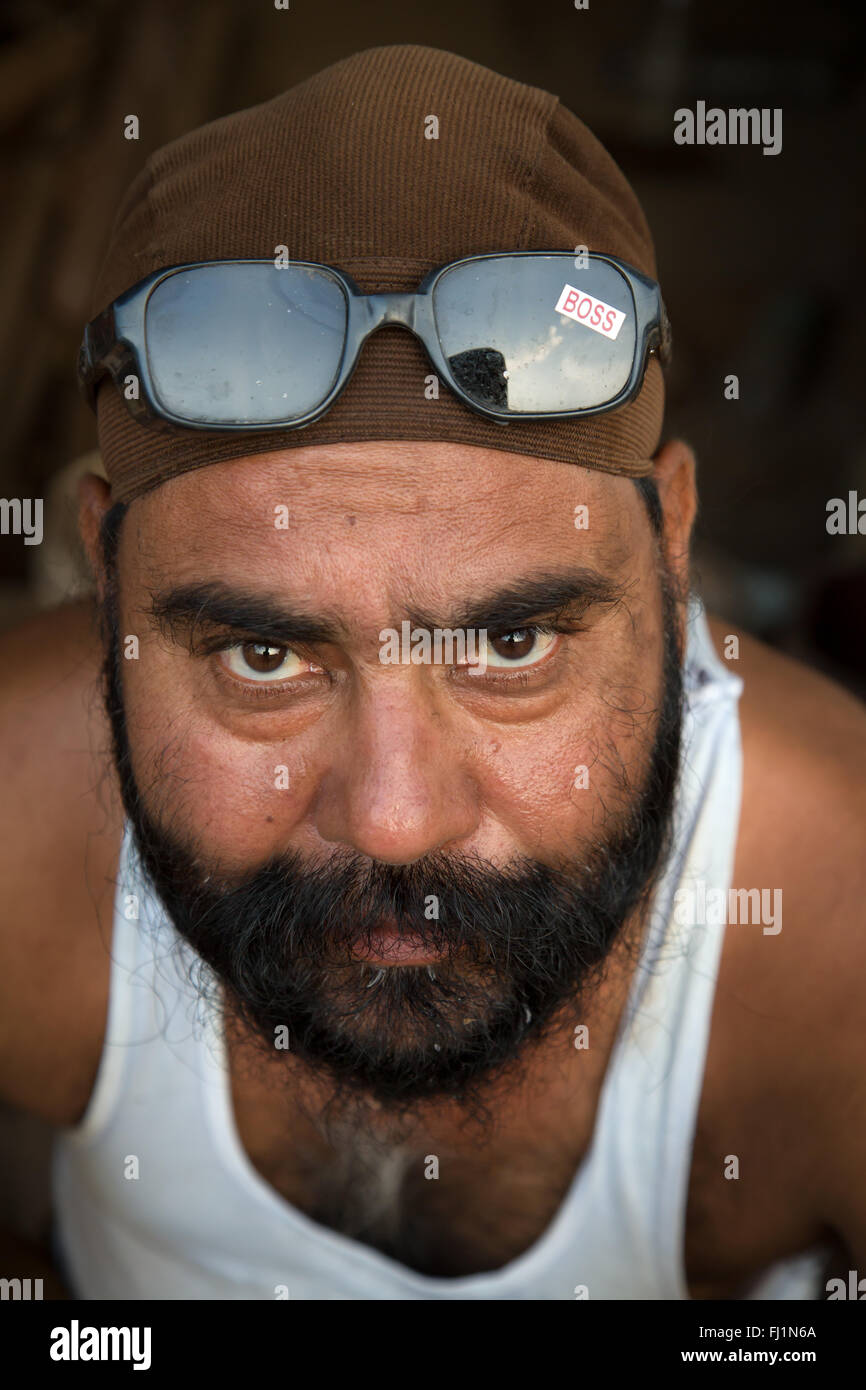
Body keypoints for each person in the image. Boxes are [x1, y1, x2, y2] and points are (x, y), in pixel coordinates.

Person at [1, 44, 864, 1301]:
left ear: (672, 548)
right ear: (103, 574)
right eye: (264, 656)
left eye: (511, 647)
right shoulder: (14, 822)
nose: (396, 821)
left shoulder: (836, 938)